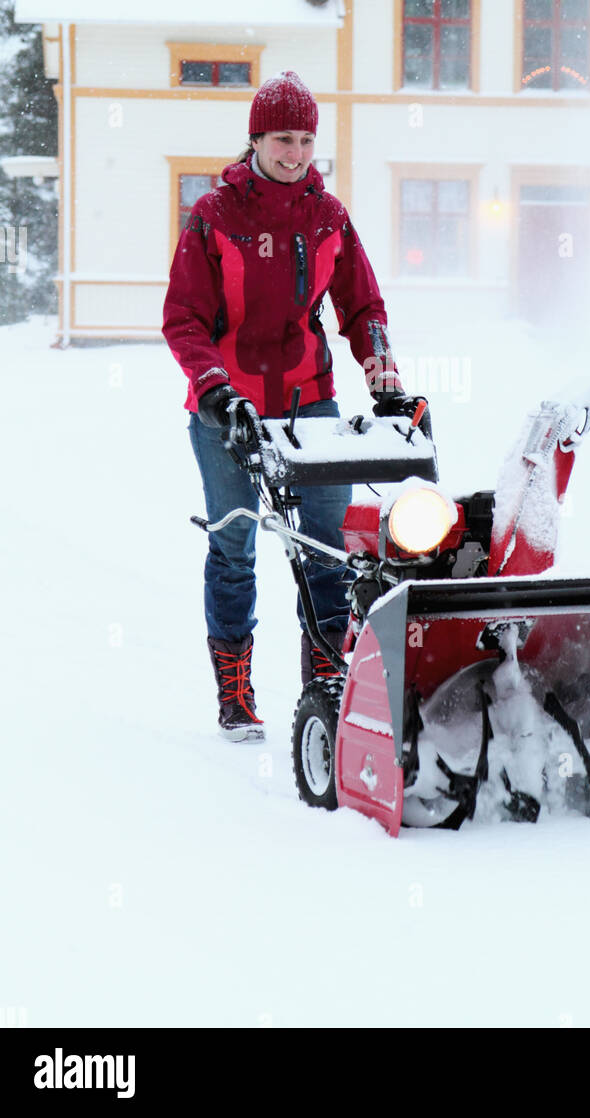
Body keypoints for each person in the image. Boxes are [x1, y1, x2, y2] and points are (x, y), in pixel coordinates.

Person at [163, 71, 409, 742]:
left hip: (310, 406)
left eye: (305, 139)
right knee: (235, 546)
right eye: (282, 139)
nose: (295, 153)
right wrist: (217, 392)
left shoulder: (327, 216)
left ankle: (326, 688)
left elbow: (363, 306)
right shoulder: (215, 216)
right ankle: (235, 694)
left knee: (328, 553)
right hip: (227, 413)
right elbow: (182, 318)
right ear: (255, 139)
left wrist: (382, 373)